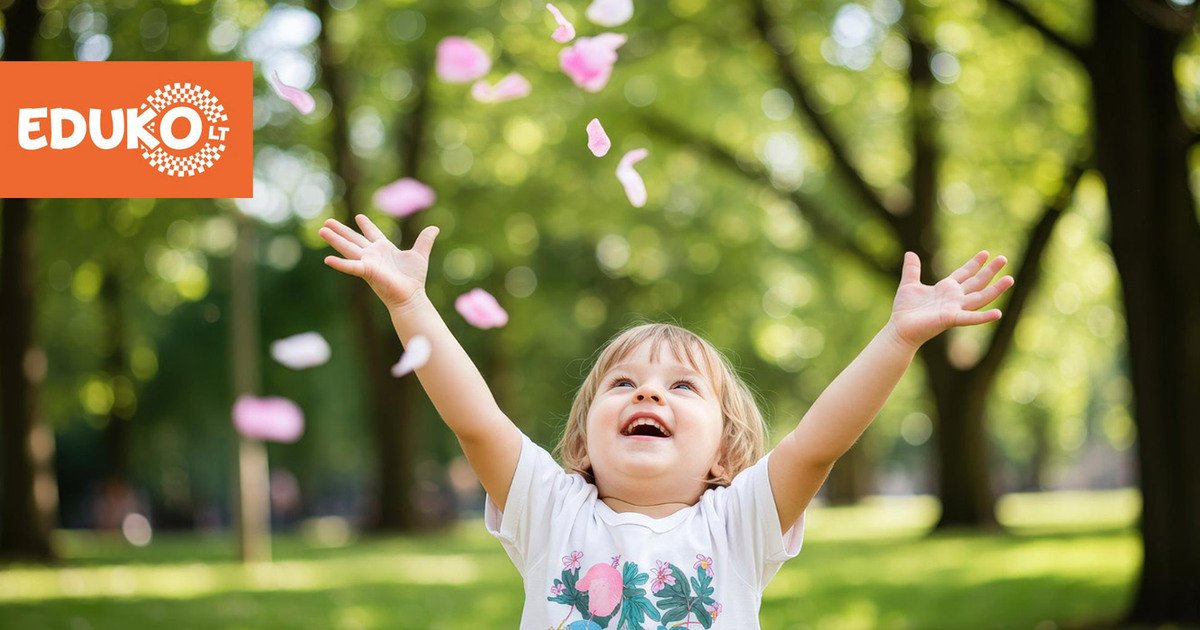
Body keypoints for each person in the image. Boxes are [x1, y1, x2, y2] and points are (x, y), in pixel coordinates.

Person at [319, 214, 1014, 629]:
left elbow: (817, 443)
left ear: (725, 451)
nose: (648, 394)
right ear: (581, 441)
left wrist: (897, 340)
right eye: (622, 383)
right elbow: (476, 421)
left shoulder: (737, 523)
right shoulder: (550, 509)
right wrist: (409, 303)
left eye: (682, 386)